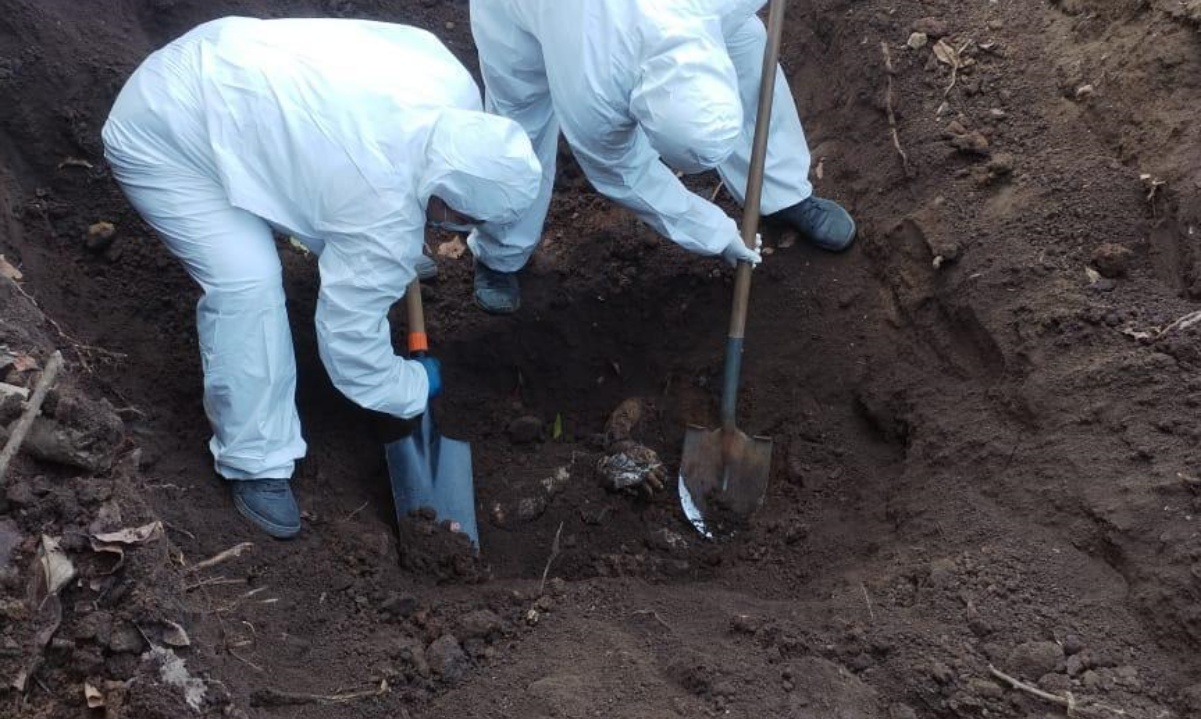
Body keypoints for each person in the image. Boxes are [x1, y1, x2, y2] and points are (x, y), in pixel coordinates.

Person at [102, 17, 542, 539]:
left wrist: (388, 253)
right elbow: (350, 348)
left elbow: (361, 188)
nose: (453, 230)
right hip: (165, 134)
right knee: (248, 281)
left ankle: (363, 255)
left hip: (225, 61)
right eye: (456, 220)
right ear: (443, 195)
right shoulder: (379, 210)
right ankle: (256, 461)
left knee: (352, 223)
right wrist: (409, 386)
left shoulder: (450, 86)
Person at [467, 0, 857, 314]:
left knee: (749, 43)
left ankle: (780, 193)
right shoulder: (593, 95)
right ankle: (501, 251)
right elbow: (622, 174)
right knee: (520, 124)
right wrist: (716, 233)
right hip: (518, 13)